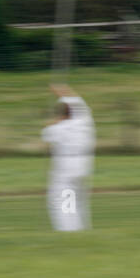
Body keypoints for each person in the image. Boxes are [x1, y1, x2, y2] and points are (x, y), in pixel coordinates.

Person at [41, 83, 95, 231]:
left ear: (61, 115)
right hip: (84, 165)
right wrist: (62, 90)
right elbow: (78, 102)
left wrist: (54, 121)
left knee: (64, 202)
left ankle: (69, 230)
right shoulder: (85, 120)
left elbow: (46, 137)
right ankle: (82, 229)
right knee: (79, 200)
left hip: (66, 168)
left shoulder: (57, 128)